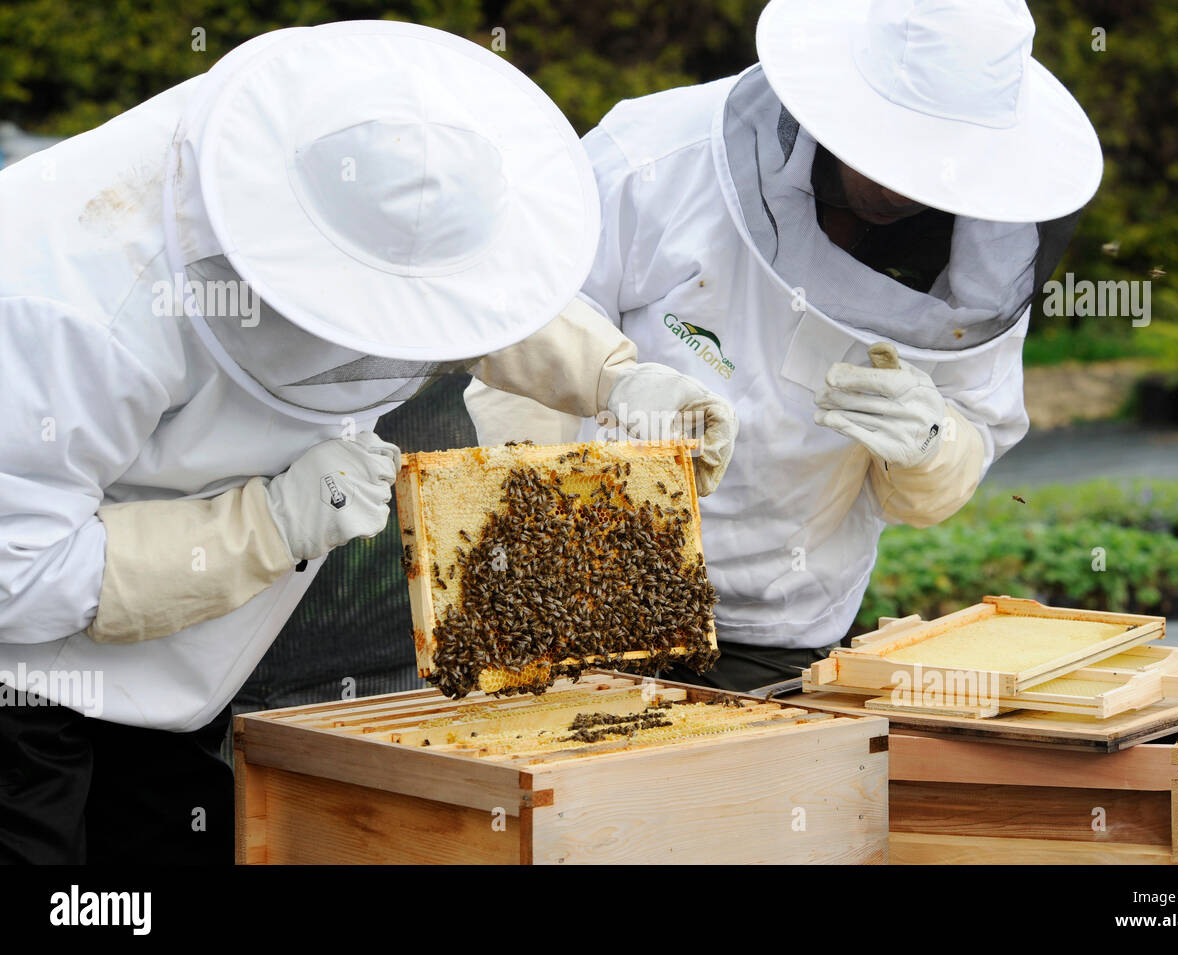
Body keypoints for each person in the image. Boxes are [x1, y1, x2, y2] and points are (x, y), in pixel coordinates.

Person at [0, 20, 736, 864]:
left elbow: (462, 285)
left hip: (180, 679)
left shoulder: (350, 167)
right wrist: (268, 524)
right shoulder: (64, 306)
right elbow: (17, 573)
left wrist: (612, 379)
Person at [466, 0, 1102, 691]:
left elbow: (958, 453)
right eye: (888, 145)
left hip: (782, 632)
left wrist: (931, 443)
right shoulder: (658, 155)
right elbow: (513, 305)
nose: (898, 186)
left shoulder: (985, 262)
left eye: (932, 162)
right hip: (575, 599)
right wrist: (610, 381)